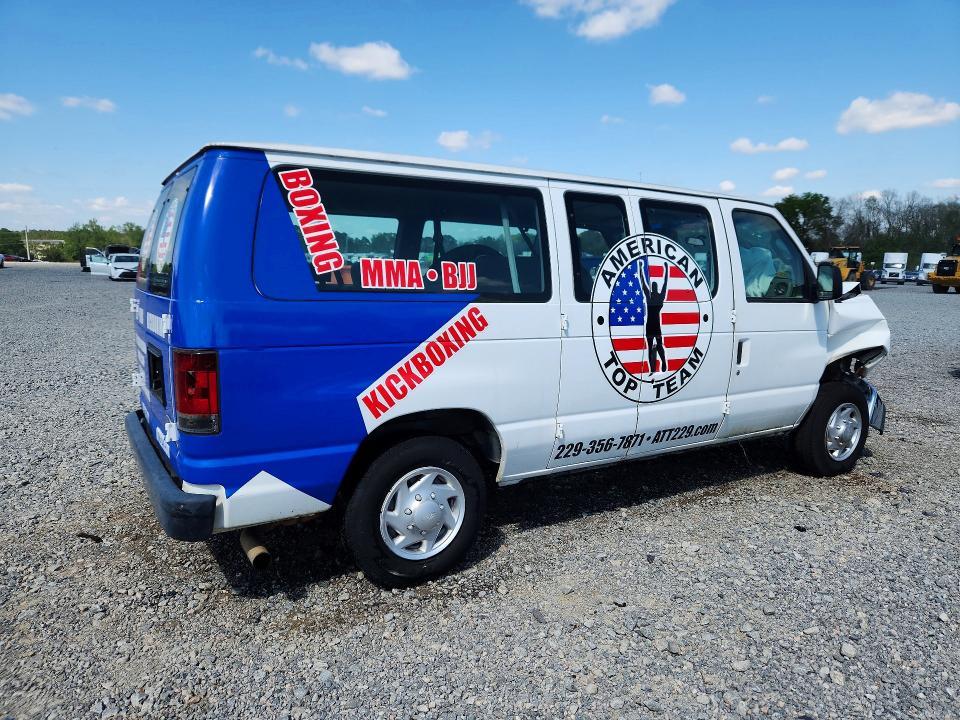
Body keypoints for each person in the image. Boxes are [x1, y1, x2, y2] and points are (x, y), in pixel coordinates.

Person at [640, 260, 668, 374]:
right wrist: (666, 270)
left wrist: (641, 268)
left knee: (651, 346)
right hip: (655, 325)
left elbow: (643, 283)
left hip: (650, 325)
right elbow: (665, 284)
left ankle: (657, 366)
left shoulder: (650, 297)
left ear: (653, 288)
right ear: (657, 288)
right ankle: (661, 363)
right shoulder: (659, 297)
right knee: (658, 345)